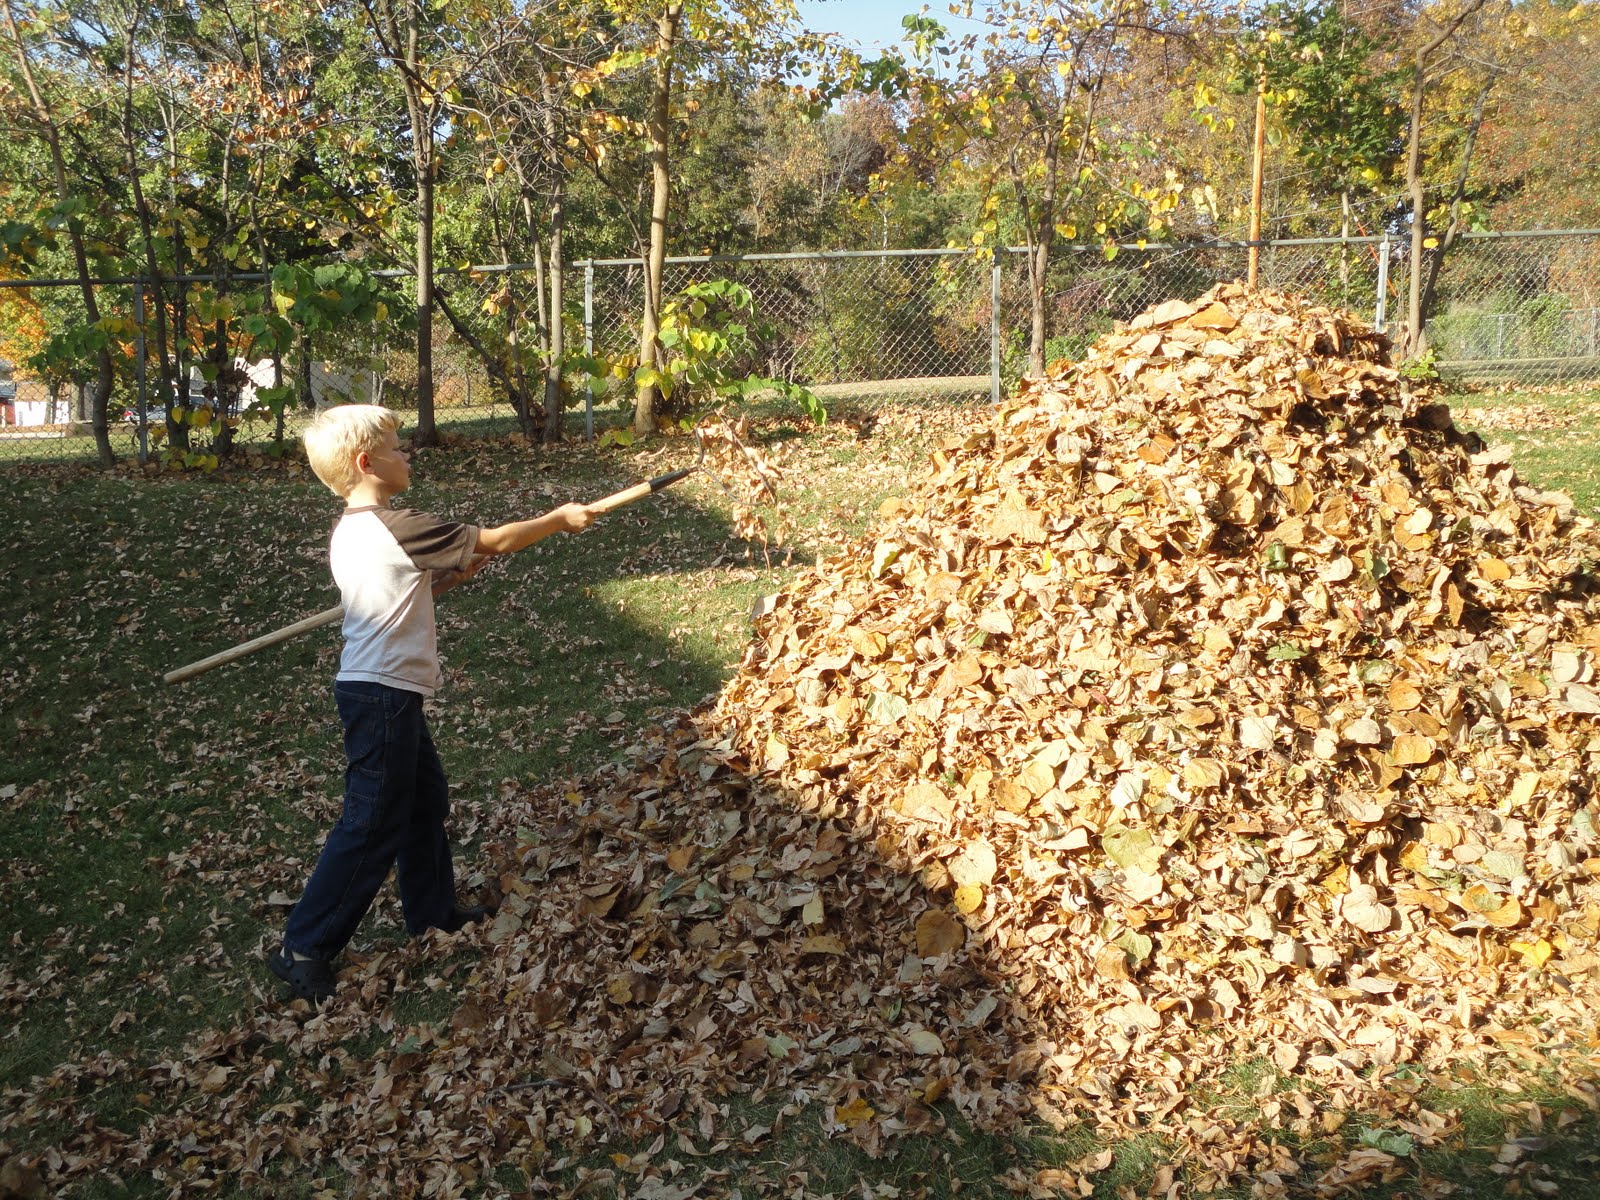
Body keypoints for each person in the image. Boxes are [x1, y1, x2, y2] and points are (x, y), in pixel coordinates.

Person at [268, 403, 596, 1003]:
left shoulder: (352, 529)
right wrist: (558, 518)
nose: (407, 454)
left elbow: (403, 585)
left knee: (423, 802)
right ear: (368, 464)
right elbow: (495, 539)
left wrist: (449, 577)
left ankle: (433, 915)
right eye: (397, 447)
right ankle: (303, 947)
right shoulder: (396, 525)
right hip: (383, 692)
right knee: (371, 821)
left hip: (380, 689)